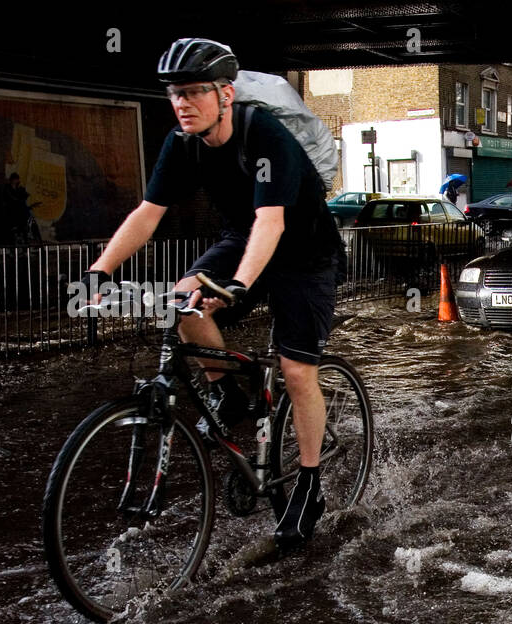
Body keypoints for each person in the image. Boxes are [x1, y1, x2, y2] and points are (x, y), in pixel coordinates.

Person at [78, 38, 346, 545]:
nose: (182, 103)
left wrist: (239, 285)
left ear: (225, 94)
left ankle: (309, 484)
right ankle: (226, 389)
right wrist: (100, 270)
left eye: (194, 92)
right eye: (175, 94)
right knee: (184, 297)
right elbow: (147, 214)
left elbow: (271, 222)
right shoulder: (181, 144)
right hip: (241, 239)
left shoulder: (265, 136)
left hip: (304, 254)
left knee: (295, 369)